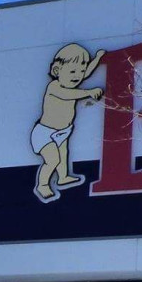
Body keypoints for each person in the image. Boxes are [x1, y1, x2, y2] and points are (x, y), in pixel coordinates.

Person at [32, 43, 105, 203]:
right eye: (72, 71)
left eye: (80, 71)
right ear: (57, 71)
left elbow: (87, 72)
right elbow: (68, 94)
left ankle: (63, 177)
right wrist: (88, 92)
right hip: (45, 133)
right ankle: (43, 185)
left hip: (64, 130)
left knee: (63, 155)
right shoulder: (54, 87)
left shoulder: (75, 80)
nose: (77, 76)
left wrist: (97, 58)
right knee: (53, 160)